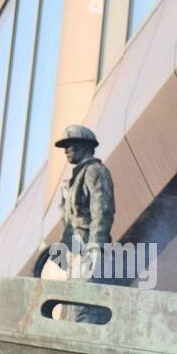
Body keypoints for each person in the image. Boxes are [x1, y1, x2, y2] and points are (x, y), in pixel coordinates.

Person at [43, 125, 117, 321]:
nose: (66, 150)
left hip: (87, 249)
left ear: (84, 146)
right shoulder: (73, 179)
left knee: (83, 307)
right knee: (70, 306)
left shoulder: (95, 171)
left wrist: (95, 247)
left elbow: (102, 210)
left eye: (70, 145)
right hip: (73, 251)